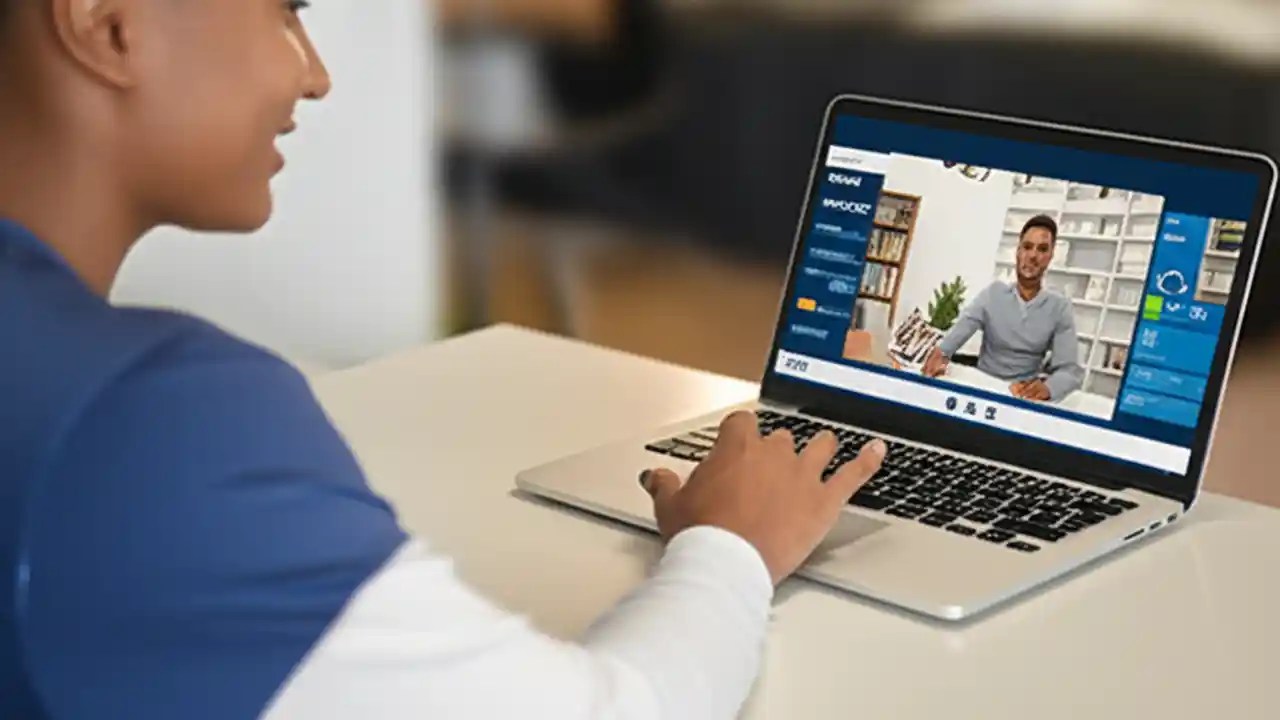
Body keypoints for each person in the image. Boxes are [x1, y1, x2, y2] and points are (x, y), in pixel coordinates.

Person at [0, 2, 885, 719]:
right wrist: (728, 546)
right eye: (284, 12)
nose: (314, 72)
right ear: (105, 24)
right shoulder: (147, 424)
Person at [922, 215, 1084, 403]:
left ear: (1050, 257)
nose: (1033, 255)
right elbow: (963, 326)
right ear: (1018, 251)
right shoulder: (993, 294)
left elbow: (1070, 371)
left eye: (1042, 249)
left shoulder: (1059, 307)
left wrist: (1048, 388)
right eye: (1027, 247)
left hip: (1022, 397)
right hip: (983, 390)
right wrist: (941, 352)